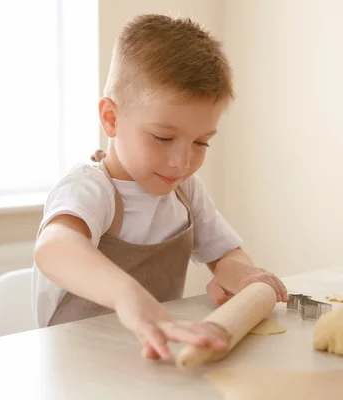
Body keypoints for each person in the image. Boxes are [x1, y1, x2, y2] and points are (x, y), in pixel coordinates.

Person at [32, 13, 289, 361]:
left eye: (201, 142)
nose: (182, 163)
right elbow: (55, 248)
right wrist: (129, 297)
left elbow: (227, 252)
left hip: (149, 363)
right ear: (111, 118)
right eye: (163, 137)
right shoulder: (91, 189)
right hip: (76, 367)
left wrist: (235, 271)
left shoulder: (186, 192)